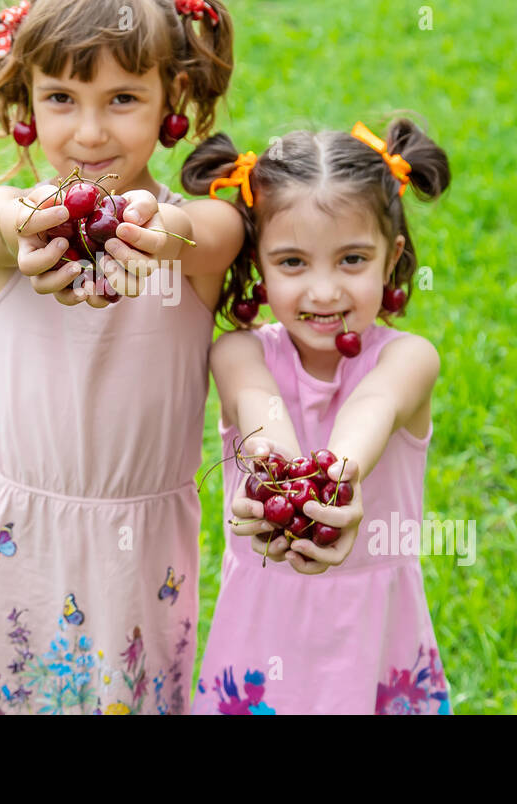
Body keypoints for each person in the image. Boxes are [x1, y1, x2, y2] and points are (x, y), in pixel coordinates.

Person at [0, 0, 245, 714]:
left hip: (143, 548)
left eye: (122, 98)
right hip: (29, 538)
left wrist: (159, 230)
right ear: (25, 100)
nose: (88, 132)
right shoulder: (9, 223)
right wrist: (35, 227)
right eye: (60, 98)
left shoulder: (194, 236)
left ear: (172, 95)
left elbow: (209, 234)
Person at [181, 120, 454, 714]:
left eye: (352, 259)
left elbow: (373, 407)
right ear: (258, 264)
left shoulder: (409, 358)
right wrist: (278, 471)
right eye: (293, 262)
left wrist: (339, 475)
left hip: (374, 633)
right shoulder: (241, 351)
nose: (324, 291)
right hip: (263, 632)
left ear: (392, 259)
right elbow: (260, 405)